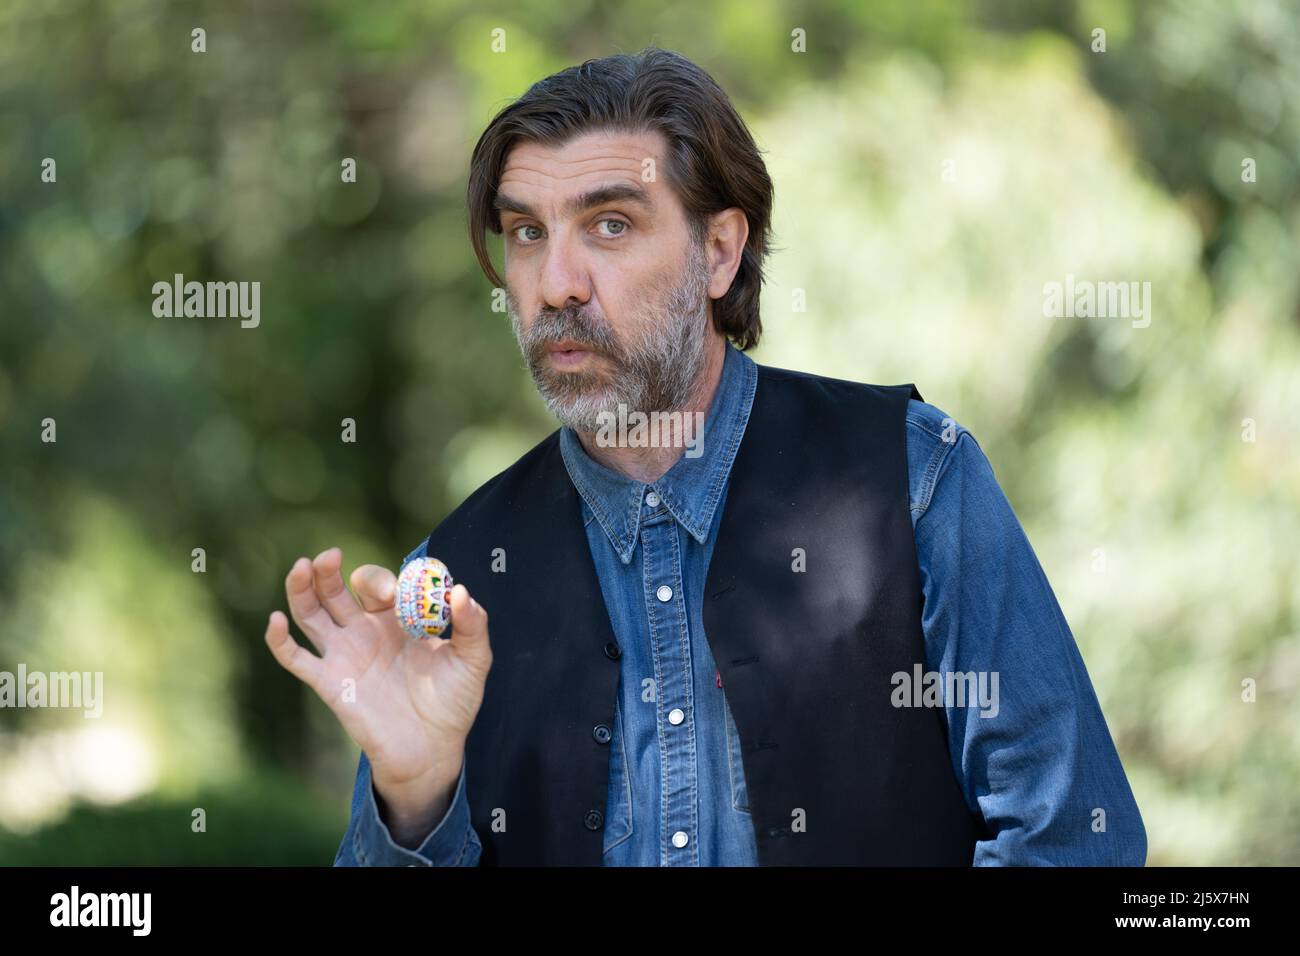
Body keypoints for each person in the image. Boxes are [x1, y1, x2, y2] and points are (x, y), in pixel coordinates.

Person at [264, 47, 1147, 866]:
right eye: (526, 232)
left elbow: (1070, 839)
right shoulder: (452, 580)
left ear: (719, 251)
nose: (557, 282)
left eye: (609, 225)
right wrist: (417, 795)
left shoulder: (914, 481)